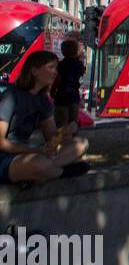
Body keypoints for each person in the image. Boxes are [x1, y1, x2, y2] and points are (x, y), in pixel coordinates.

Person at [0, 51, 90, 186]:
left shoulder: (43, 101)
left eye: (56, 68)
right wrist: (36, 150)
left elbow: (52, 138)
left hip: (28, 153)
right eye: (51, 67)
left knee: (81, 143)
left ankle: (42, 172)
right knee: (38, 164)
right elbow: (1, 143)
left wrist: (65, 132)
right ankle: (61, 172)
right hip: (5, 158)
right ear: (34, 71)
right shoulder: (11, 96)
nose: (55, 73)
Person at [53, 38, 87, 130]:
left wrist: (52, 92)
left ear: (63, 51)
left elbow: (57, 80)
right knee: (73, 122)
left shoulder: (60, 65)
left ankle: (61, 141)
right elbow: (80, 77)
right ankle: (72, 139)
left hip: (62, 94)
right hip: (74, 95)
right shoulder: (79, 65)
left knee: (61, 122)